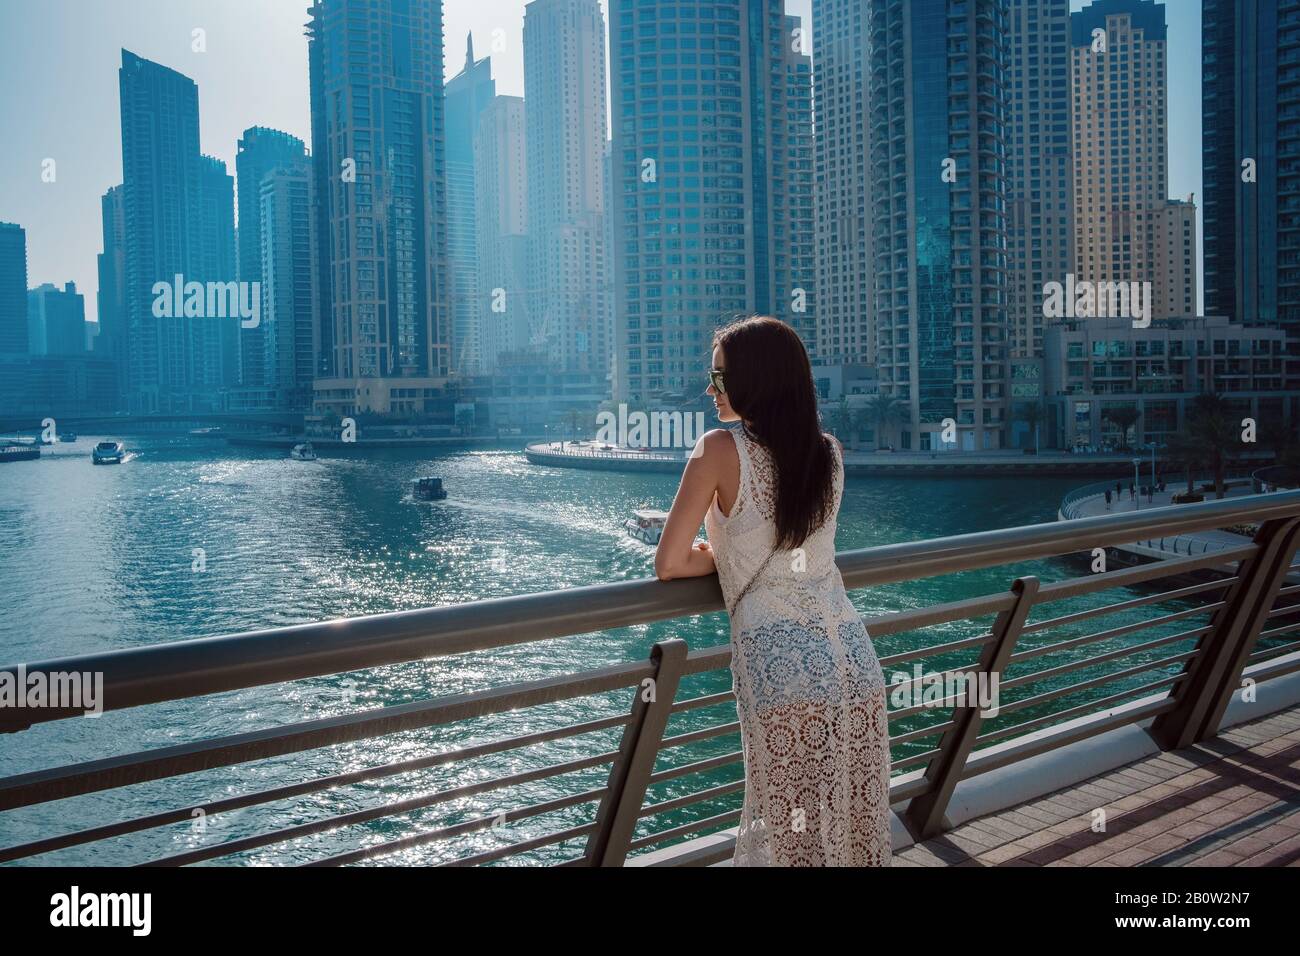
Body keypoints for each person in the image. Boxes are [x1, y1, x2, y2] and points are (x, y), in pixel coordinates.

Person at [654, 315, 892, 867]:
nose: (709, 390)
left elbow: (669, 562)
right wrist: (736, 553)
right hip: (854, 665)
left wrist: (722, 558)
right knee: (851, 835)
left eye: (718, 378)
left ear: (755, 381)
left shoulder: (718, 448)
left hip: (784, 670)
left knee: (788, 841)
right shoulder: (828, 452)